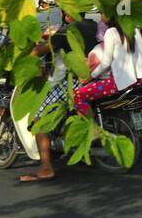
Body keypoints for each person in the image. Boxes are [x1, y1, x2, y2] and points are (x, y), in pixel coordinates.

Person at [17, 9, 100, 183]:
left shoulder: (67, 31)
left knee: (39, 120)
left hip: (66, 82)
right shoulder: (94, 26)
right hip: (89, 78)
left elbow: (40, 51)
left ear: (66, 13)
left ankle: (46, 168)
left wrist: (24, 56)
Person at [72, 7, 142, 117]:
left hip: (120, 83)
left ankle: (93, 130)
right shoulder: (134, 30)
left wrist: (89, 77)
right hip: (139, 81)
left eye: (102, 13)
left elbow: (106, 63)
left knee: (77, 95)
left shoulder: (111, 32)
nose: (101, 17)